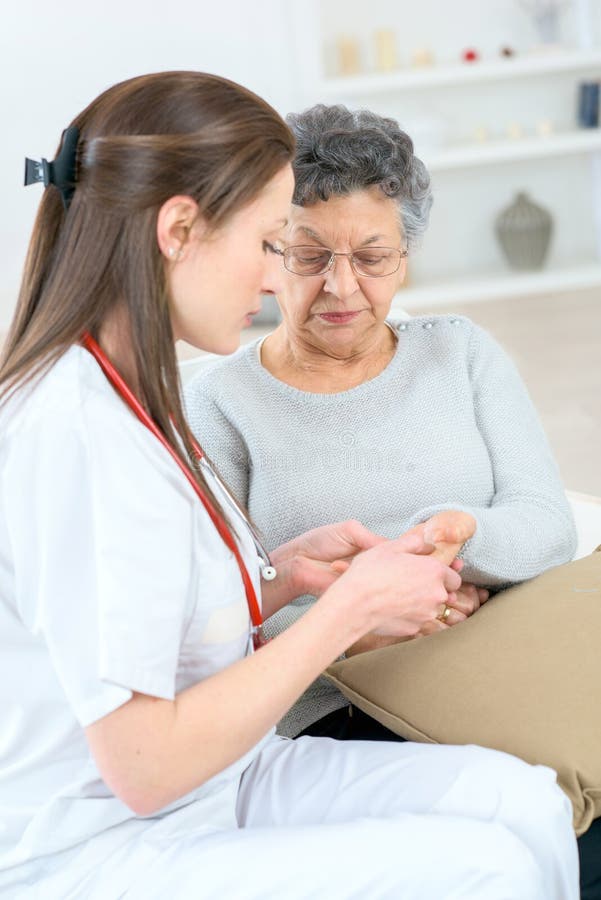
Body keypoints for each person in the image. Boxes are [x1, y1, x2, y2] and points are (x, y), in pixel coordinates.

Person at [0, 74, 578, 900]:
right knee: (494, 866)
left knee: (523, 801)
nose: (283, 283)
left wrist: (277, 579)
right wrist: (348, 613)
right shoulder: (81, 430)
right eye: (277, 244)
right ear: (179, 230)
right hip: (105, 842)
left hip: (220, 780)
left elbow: (147, 618)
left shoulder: (131, 395)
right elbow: (144, 767)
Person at [184, 102, 577, 740]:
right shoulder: (221, 402)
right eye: (308, 257)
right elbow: (218, 617)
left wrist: (465, 542)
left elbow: (548, 525)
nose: (342, 287)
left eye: (372, 258)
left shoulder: (461, 352)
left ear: (405, 255)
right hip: (338, 706)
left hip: (501, 658)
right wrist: (356, 629)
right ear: (266, 254)